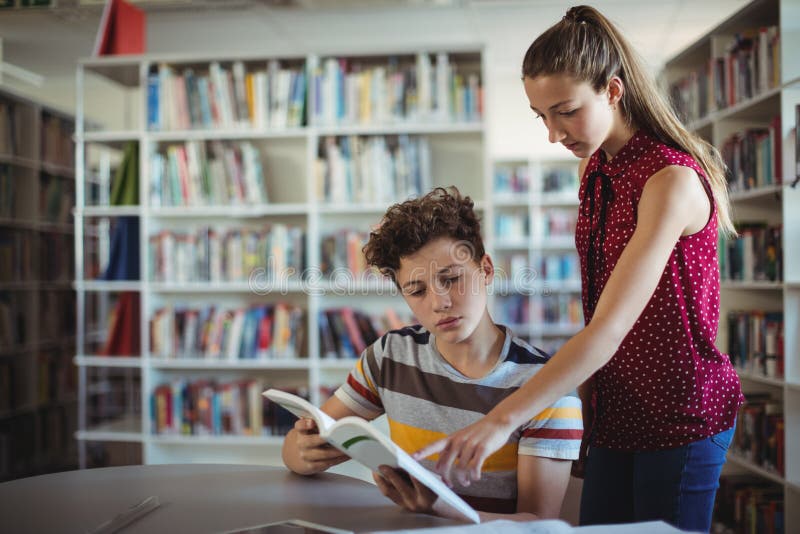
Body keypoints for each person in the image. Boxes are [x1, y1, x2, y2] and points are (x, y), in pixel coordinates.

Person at [412, 6, 744, 533]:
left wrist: (503, 420)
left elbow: (609, 330)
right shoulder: (596, 169)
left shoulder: (671, 181)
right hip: (615, 412)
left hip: (680, 412)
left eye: (565, 111)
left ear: (613, 91)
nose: (552, 134)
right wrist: (588, 415)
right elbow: (599, 309)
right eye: (540, 116)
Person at [281, 186, 583, 522]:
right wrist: (302, 452)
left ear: (485, 270)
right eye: (417, 290)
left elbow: (540, 525)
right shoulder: (389, 357)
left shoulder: (548, 386)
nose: (439, 302)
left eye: (451, 279)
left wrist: (440, 508)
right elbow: (297, 447)